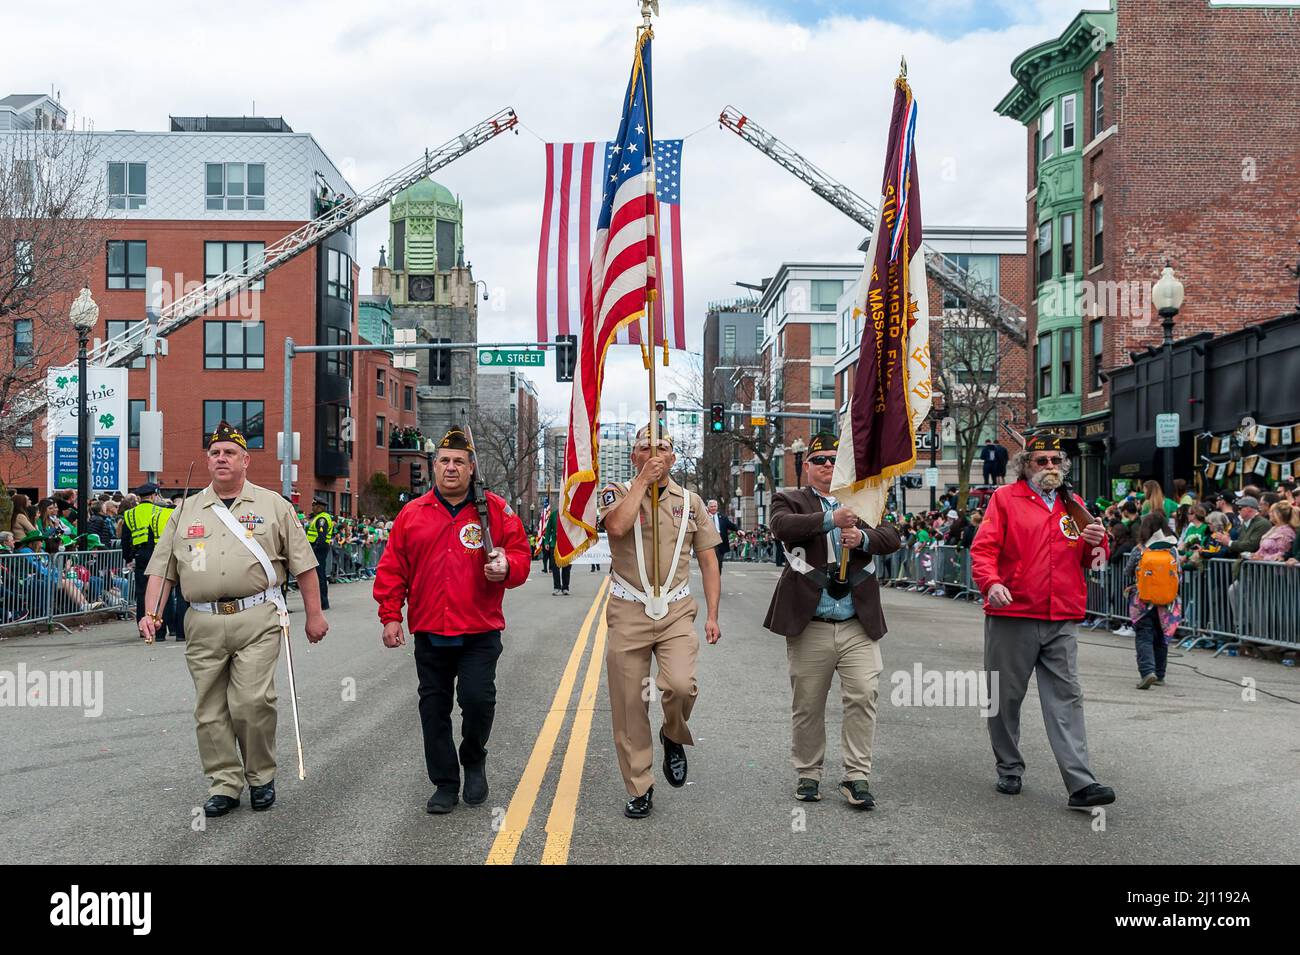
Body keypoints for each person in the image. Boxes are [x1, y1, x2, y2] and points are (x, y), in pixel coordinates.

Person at [141, 421, 328, 818]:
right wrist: (152, 613)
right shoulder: (186, 509)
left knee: (252, 702)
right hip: (203, 621)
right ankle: (224, 783)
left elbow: (304, 565)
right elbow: (163, 568)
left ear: (246, 460)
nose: (221, 458)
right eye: (215, 453)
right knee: (209, 708)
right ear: (207, 461)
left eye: (230, 453)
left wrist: (315, 615)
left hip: (257, 616)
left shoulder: (273, 505)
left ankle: (260, 776)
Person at [372, 428, 530, 814]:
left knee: (477, 701)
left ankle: (473, 757)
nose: (451, 467)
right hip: (430, 631)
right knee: (434, 709)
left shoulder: (494, 510)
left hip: (479, 629)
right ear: (434, 467)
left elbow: (522, 555)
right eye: (444, 460)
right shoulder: (413, 513)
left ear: (471, 467)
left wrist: (506, 565)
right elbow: (393, 569)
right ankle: (445, 781)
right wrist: (391, 616)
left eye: (459, 461)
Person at [968, 435, 1116, 810]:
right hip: (1014, 613)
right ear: (1025, 465)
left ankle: (1081, 783)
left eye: (1055, 460)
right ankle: (1009, 766)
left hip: (1061, 615)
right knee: (1003, 698)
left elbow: (1094, 562)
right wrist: (992, 582)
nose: (1049, 466)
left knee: (1067, 698)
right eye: (1041, 461)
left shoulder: (1075, 504)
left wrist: (1099, 542)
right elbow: (983, 550)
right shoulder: (1005, 499)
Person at [764, 431, 902, 808]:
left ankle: (856, 776)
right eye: (820, 459)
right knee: (808, 703)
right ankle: (808, 774)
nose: (827, 465)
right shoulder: (789, 499)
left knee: (863, 695)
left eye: (833, 459)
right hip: (812, 624)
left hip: (858, 622)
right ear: (807, 466)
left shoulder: (866, 499)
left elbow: (892, 536)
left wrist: (864, 538)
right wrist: (830, 518)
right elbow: (782, 527)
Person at [598, 425, 722, 819]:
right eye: (645, 447)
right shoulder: (616, 492)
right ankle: (640, 786)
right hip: (629, 609)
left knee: (681, 685)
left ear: (674, 457)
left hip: (675, 611)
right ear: (634, 456)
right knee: (629, 703)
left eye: (663, 448)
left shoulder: (691, 502)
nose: (655, 453)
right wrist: (642, 483)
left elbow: (708, 559)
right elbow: (616, 527)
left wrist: (714, 614)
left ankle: (673, 733)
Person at [1125, 513, 1182, 690]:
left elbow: (1128, 571)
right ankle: (1160, 674)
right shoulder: (1172, 549)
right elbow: (1179, 572)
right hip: (1166, 602)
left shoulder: (1140, 549)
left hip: (1143, 602)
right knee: (1161, 637)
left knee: (1144, 636)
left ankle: (1147, 671)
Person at [122, 484, 172, 640]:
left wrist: (128, 558)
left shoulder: (129, 514)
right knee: (162, 592)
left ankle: (143, 629)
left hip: (140, 554)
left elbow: (125, 539)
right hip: (157, 553)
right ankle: (161, 629)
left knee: (142, 593)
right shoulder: (160, 511)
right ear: (153, 496)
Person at [305, 500, 334, 610]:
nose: (312, 507)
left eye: (314, 505)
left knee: (319, 576)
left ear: (320, 507)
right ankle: (321, 601)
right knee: (318, 575)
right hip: (318, 548)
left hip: (318, 549)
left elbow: (321, 537)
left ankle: (323, 602)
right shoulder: (319, 517)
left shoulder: (322, 519)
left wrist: (316, 549)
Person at [541, 505, 570, 595]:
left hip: (567, 545)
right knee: (555, 566)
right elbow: (548, 530)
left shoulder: (570, 514)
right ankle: (557, 587)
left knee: (567, 567)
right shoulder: (553, 515)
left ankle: (565, 588)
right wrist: (546, 542)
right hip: (554, 544)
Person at [706, 499, 738, 571]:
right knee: (710, 564)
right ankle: (711, 578)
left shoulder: (722, 517)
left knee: (719, 563)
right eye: (711, 506)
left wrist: (738, 530)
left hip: (720, 543)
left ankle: (716, 579)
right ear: (708, 507)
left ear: (717, 507)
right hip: (709, 544)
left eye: (715, 506)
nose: (713, 508)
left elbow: (731, 525)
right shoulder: (705, 517)